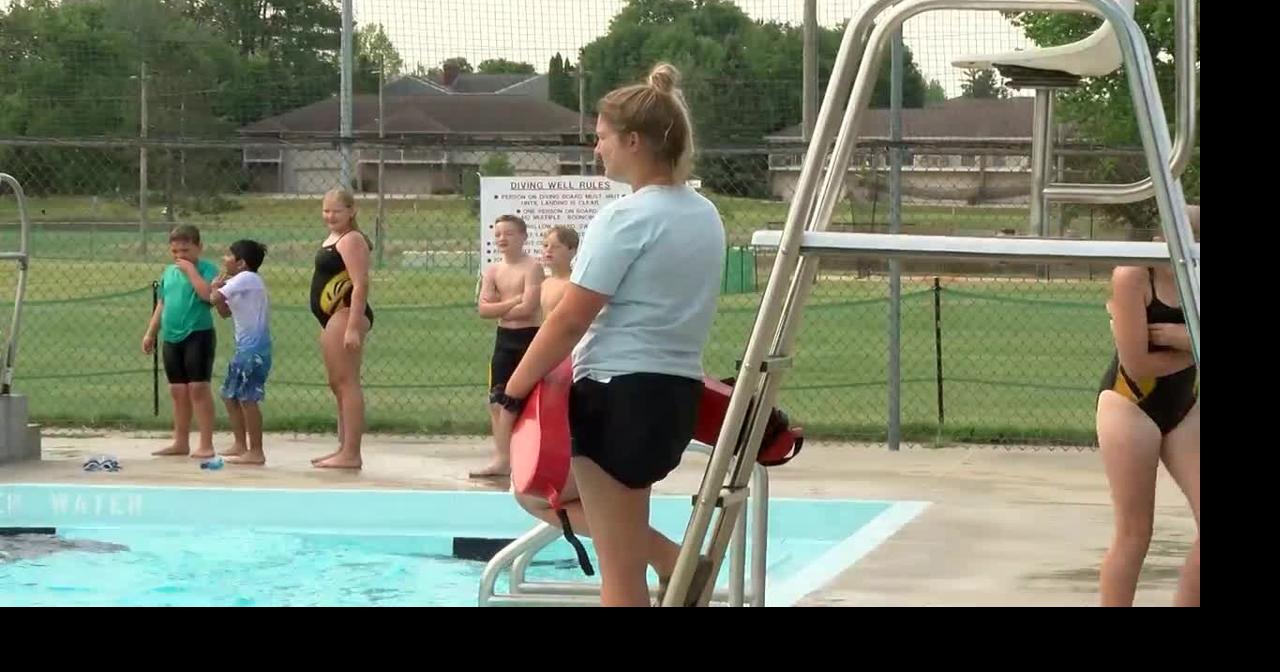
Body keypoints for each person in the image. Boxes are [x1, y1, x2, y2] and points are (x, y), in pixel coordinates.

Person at [494, 62, 725, 606]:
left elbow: (571, 318)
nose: (597, 150)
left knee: (619, 583)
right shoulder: (705, 214)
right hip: (672, 396)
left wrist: (512, 391)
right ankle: (673, 560)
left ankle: (675, 561)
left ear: (634, 140)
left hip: (616, 395)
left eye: (601, 138)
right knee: (540, 494)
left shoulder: (625, 218)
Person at [1096, 203, 1200, 607]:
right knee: (1135, 532)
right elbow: (1137, 364)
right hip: (1130, 404)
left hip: (1183, 405)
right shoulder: (1133, 276)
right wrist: (1193, 347)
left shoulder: (1196, 276)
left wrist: (1179, 339)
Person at [181, 239, 272, 466]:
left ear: (241, 263)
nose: (224, 259)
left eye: (228, 256)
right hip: (245, 348)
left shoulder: (246, 278)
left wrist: (214, 289)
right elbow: (223, 312)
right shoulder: (242, 282)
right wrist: (217, 292)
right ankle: (241, 444)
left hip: (254, 350)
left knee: (248, 398)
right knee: (229, 395)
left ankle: (256, 451)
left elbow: (213, 299)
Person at [474, 214, 543, 478]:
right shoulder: (493, 271)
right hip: (504, 341)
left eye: (509, 234)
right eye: (499, 234)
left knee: (528, 401)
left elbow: (528, 308)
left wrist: (501, 307)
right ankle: (503, 459)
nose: (503, 239)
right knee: (496, 401)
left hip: (529, 339)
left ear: (524, 237)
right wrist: (511, 303)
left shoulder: (532, 268)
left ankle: (533, 459)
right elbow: (483, 310)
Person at [309, 188, 373, 470]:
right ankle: (343, 447)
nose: (330, 216)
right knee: (337, 384)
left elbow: (360, 284)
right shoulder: (334, 238)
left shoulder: (352, 239)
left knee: (347, 383)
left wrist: (353, 327)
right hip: (332, 318)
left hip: (346, 314)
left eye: (336, 210)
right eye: (326, 210)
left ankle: (351, 453)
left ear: (351, 211)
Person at [142, 224, 219, 460]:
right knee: (177, 390)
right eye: (175, 252)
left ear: (199, 248)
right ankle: (180, 441)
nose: (180, 257)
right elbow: (162, 304)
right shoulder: (168, 273)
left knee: (198, 388)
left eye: (185, 251)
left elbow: (208, 296)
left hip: (198, 333)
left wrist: (191, 272)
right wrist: (151, 333)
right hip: (172, 337)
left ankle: (206, 443)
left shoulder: (208, 269)